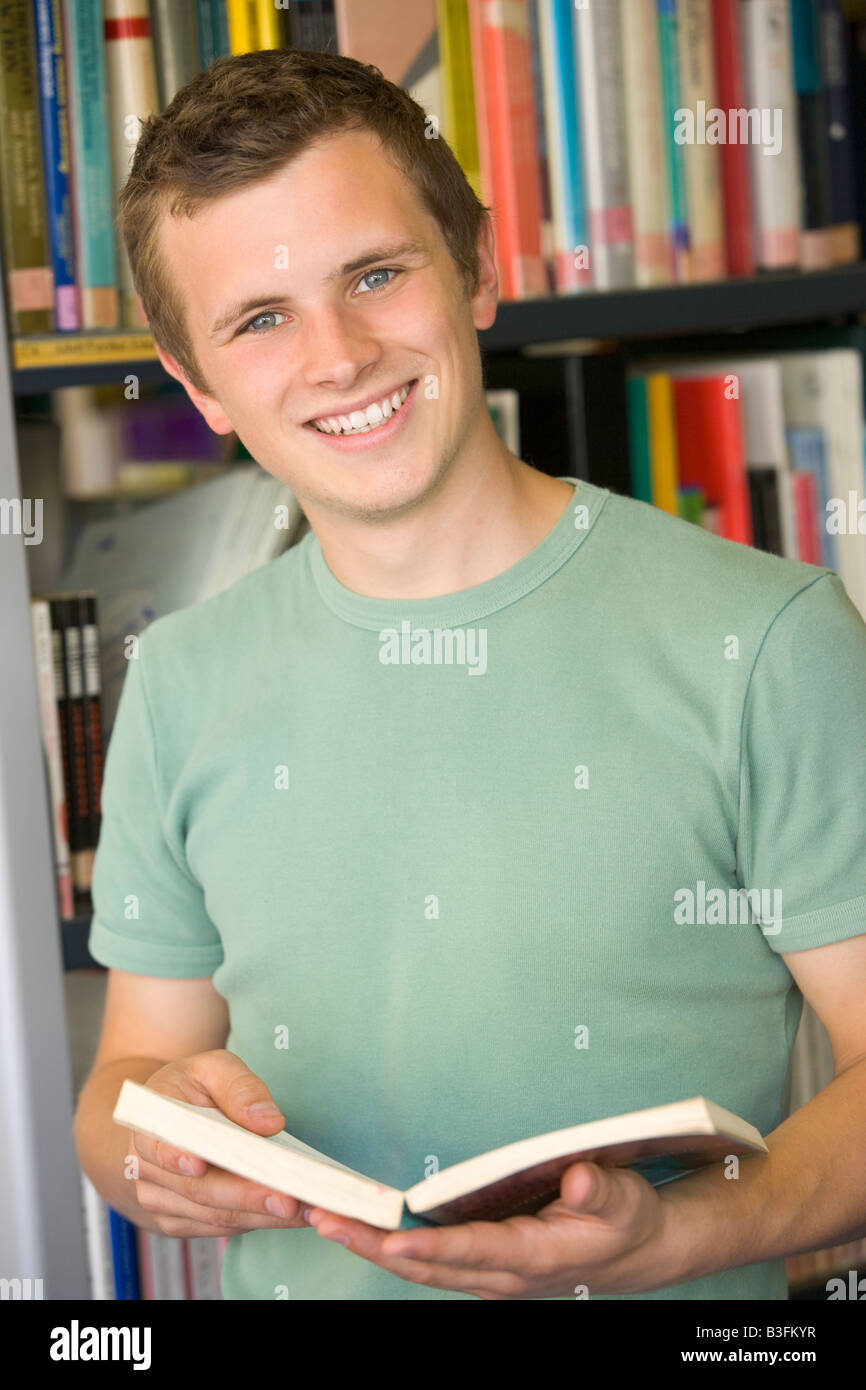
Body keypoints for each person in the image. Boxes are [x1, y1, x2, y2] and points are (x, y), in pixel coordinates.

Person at [74, 48, 866, 1301]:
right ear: (195, 386)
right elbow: (126, 1085)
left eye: (375, 275)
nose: (336, 356)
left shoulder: (771, 637)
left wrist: (678, 1234)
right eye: (259, 319)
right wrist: (147, 1147)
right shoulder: (176, 678)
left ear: (480, 269)